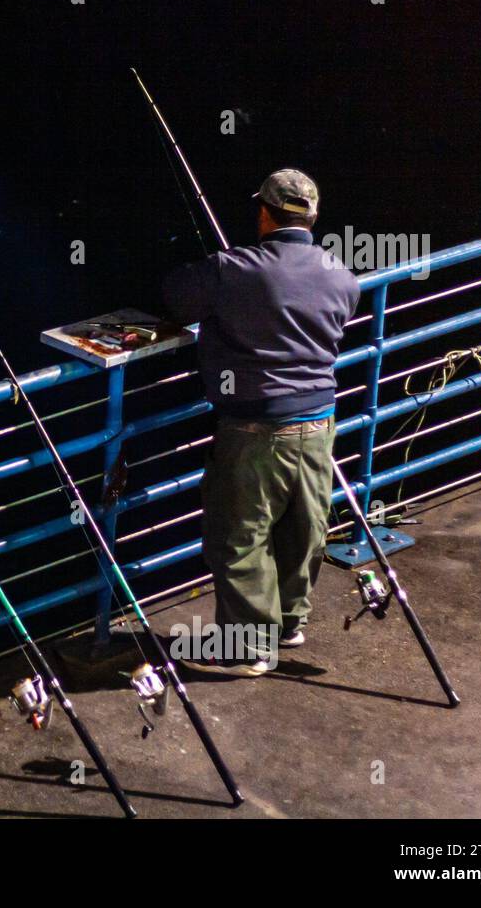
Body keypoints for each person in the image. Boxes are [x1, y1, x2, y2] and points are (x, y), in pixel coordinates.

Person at [159, 169, 360, 675]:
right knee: (303, 526)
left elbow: (177, 295)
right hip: (319, 422)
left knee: (240, 534)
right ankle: (289, 622)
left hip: (253, 427)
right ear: (312, 217)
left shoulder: (233, 269)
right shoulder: (341, 274)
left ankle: (249, 646)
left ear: (264, 214)